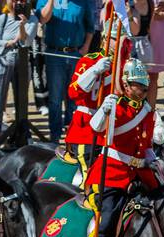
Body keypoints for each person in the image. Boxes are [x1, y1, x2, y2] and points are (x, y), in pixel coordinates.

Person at [78, 55, 160, 237]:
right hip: (111, 174)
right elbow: (96, 128)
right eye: (139, 86)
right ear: (126, 85)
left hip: (137, 173)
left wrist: (154, 159)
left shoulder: (145, 110)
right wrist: (104, 110)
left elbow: (143, 146)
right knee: (105, 225)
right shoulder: (115, 106)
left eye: (145, 87)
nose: (144, 91)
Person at [64, 21, 129, 180]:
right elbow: (73, 93)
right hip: (87, 130)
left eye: (124, 39)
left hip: (113, 130)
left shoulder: (126, 67)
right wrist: (94, 71)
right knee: (90, 179)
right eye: (115, 39)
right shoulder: (89, 61)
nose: (121, 43)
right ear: (105, 39)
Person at [35, 0, 96, 145]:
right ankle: (55, 136)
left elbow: (90, 27)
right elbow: (42, 19)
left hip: (75, 54)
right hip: (54, 53)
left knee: (74, 98)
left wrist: (86, 46)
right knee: (55, 98)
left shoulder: (83, 2)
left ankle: (71, 134)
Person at [0, 0, 37, 138]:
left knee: (21, 103)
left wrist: (22, 25)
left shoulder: (32, 19)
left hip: (21, 65)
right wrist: (11, 42)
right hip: (1, 63)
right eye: (15, 0)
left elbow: (25, 42)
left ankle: (20, 134)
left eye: (22, 1)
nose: (18, 3)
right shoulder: (2, 18)